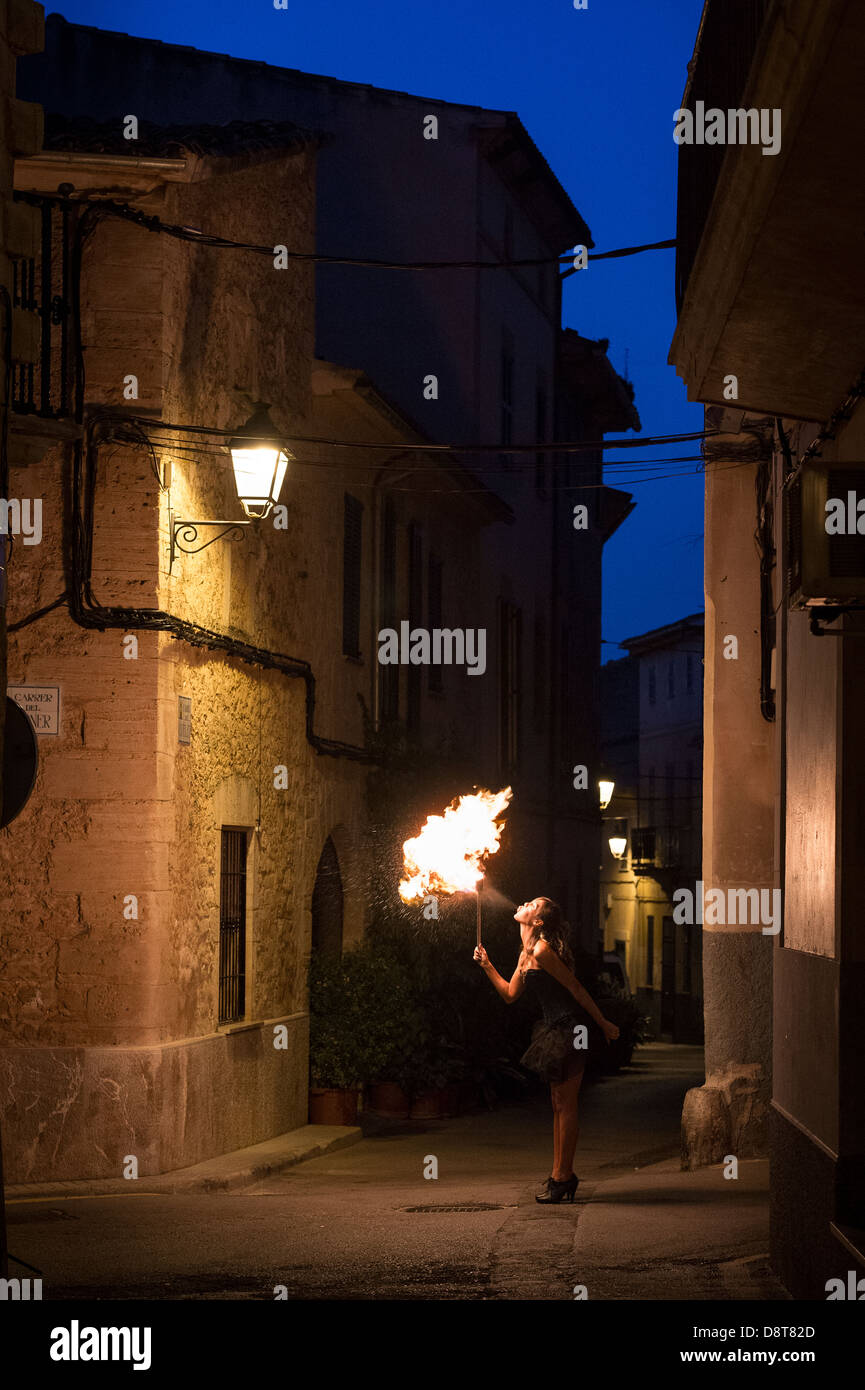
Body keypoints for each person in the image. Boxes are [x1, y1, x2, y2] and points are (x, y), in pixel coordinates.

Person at [474, 896, 619, 1204]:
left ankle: (563, 1178)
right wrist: (487, 965)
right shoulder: (526, 954)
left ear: (537, 921)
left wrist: (603, 1023)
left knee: (566, 1105)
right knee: (557, 1104)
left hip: (572, 1028)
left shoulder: (542, 951)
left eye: (533, 904)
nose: (525, 902)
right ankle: (559, 1175)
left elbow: (575, 988)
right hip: (555, 1028)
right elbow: (511, 994)